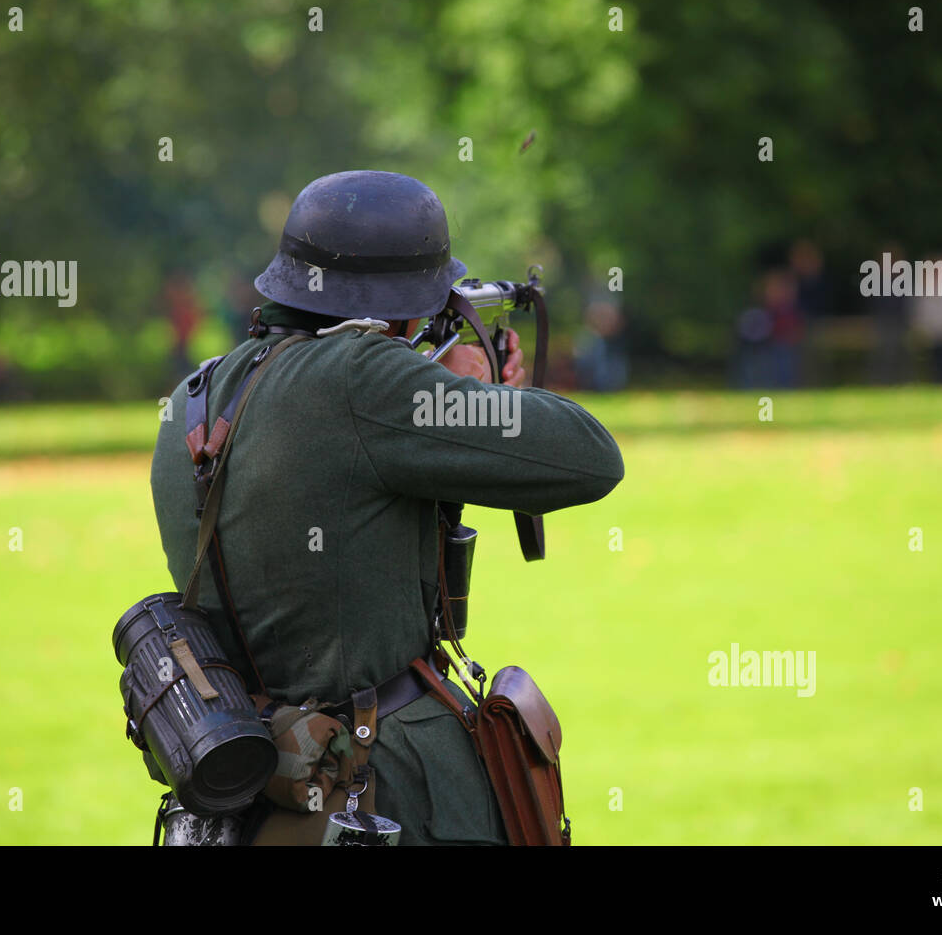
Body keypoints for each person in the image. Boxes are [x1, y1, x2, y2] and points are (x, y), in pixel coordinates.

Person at [148, 170, 624, 845]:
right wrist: (463, 394)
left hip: (237, 790)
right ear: (399, 308)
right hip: (385, 788)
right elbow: (590, 456)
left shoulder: (193, 398)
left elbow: (332, 491)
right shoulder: (363, 379)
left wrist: (447, 397)